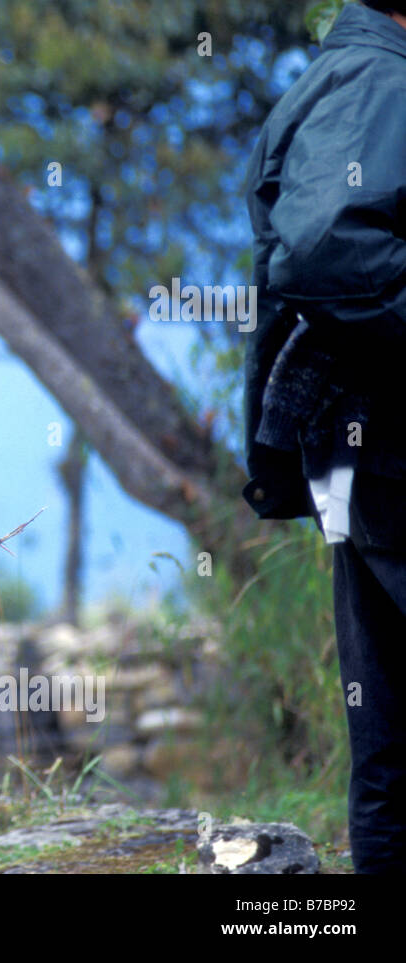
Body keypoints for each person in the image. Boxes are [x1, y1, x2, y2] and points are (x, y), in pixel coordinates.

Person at [243, 0, 406, 873]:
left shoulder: (346, 76)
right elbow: (319, 251)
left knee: (390, 752)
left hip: (365, 454)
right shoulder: (382, 82)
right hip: (385, 450)